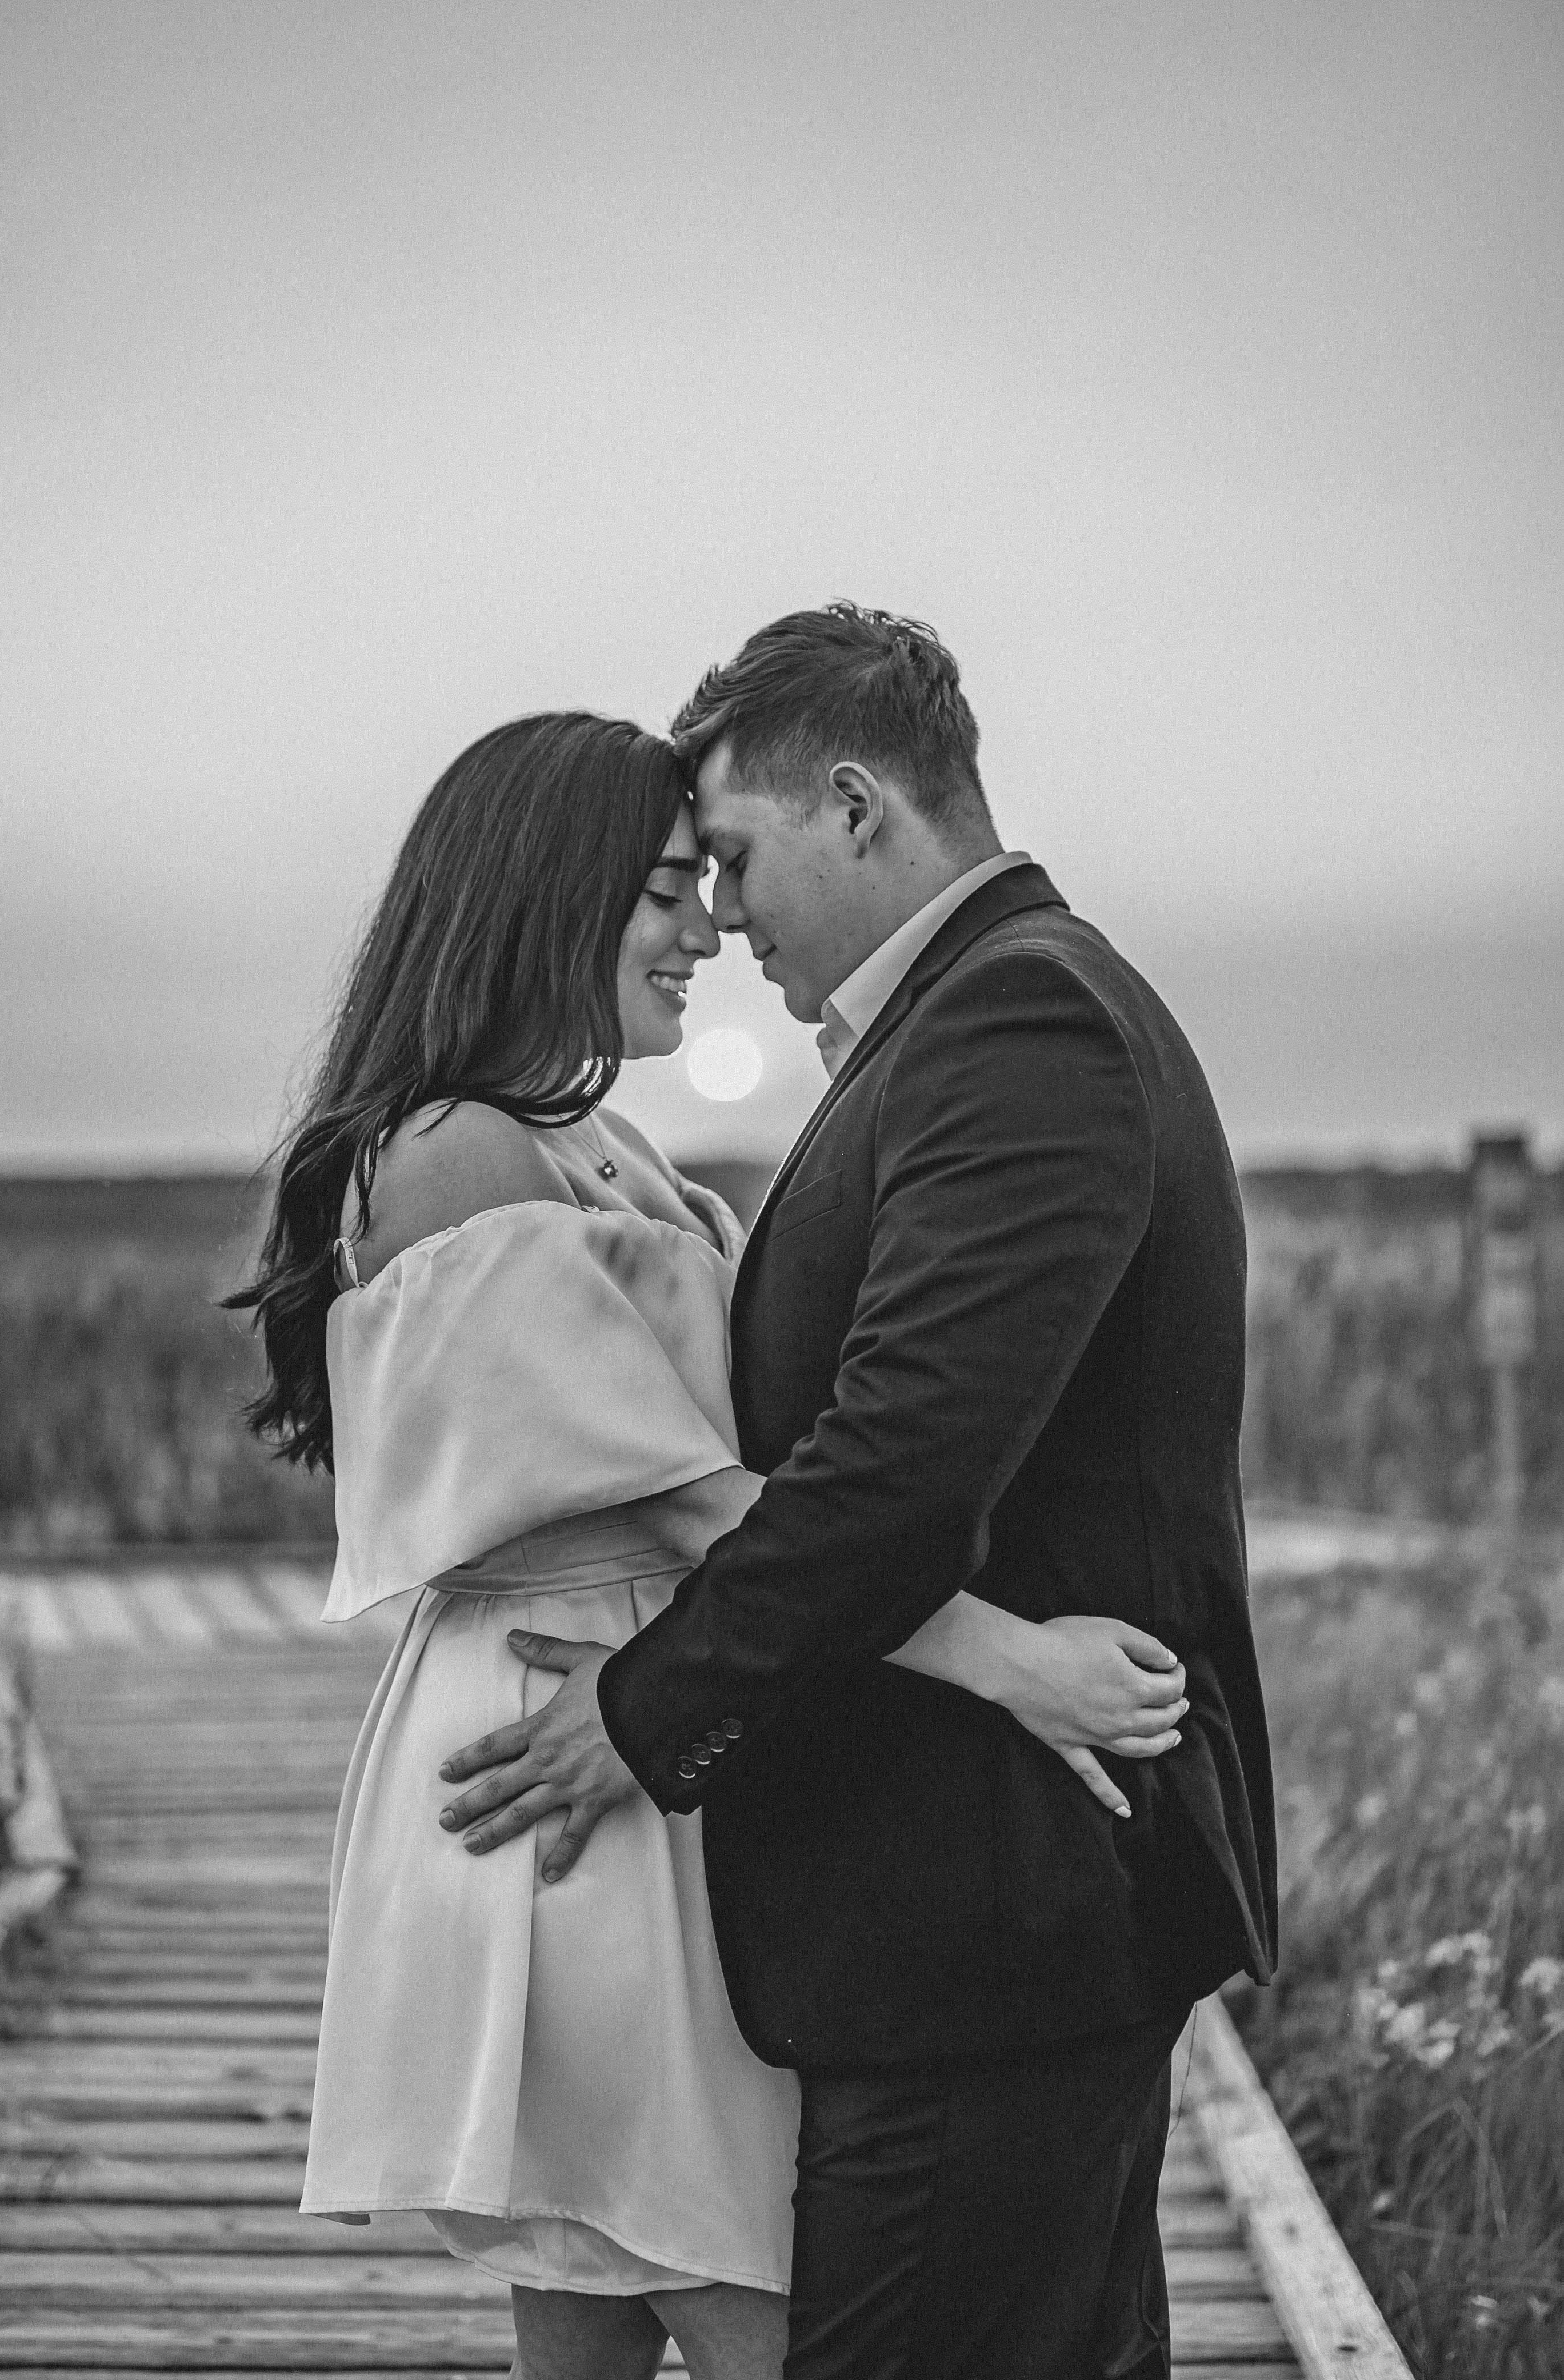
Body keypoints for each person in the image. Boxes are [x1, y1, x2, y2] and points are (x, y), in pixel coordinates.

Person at [231, 706, 1194, 2380]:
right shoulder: (457, 1148)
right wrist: (1002, 1656)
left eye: (711, 878)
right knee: (752, 2294)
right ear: (548, 894)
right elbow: (682, 1486)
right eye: (669, 890)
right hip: (566, 1756)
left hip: (638, 1733)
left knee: (599, 2282)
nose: (709, 930)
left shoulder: (586, 1136)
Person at [438, 611, 1278, 2380]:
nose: (720, 913)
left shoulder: (1020, 1016)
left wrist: (639, 1714)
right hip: (982, 1907)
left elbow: (898, 1471)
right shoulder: (968, 1020)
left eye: (730, 857)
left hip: (989, 1908)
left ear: (851, 806)